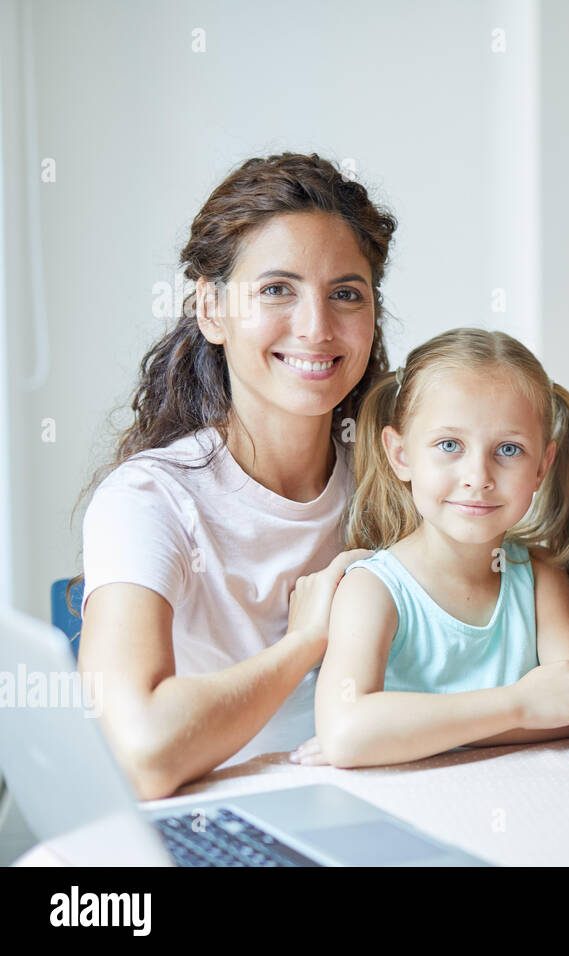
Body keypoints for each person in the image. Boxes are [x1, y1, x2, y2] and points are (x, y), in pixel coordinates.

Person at [73, 153, 392, 799]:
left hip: (373, 803)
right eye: (278, 288)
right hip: (218, 822)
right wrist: (305, 641)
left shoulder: (398, 479)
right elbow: (143, 754)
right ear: (212, 309)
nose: (316, 327)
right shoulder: (149, 500)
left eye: (346, 293)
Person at [291, 329, 569, 769]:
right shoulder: (372, 590)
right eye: (449, 445)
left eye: (509, 449)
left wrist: (398, 734)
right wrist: (521, 705)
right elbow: (348, 733)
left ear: (542, 466)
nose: (478, 476)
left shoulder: (538, 578)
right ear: (401, 454)